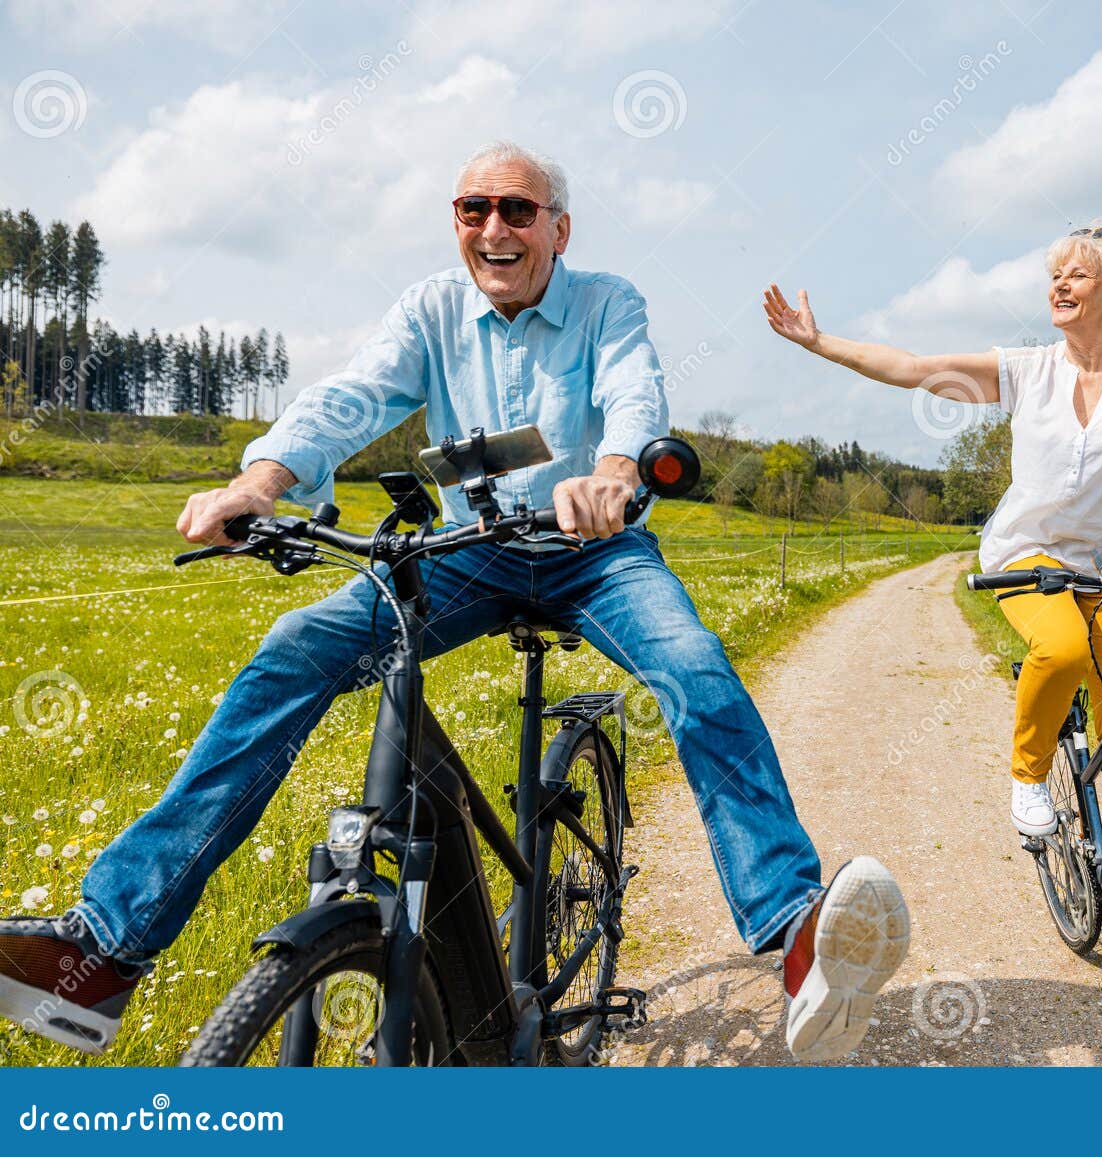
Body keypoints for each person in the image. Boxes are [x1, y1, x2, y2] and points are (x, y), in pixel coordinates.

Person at [0, 141, 909, 1063]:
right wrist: (262, 483)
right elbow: (351, 397)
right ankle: (108, 947)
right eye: (472, 208)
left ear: (559, 228)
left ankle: (794, 931)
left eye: (517, 209)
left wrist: (613, 470)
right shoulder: (430, 309)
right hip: (469, 551)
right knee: (293, 645)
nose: (494, 228)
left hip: (594, 547)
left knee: (695, 668)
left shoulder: (607, 302)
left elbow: (634, 388)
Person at [764, 222, 1102, 948]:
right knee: (1063, 650)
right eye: (1056, 275)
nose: (1060, 286)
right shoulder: (1028, 370)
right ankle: (1029, 776)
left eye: (1078, 275)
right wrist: (820, 342)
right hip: (1028, 557)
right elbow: (915, 367)